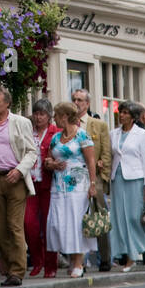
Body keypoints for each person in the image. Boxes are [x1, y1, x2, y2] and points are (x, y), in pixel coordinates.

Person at [0, 83, 38, 287]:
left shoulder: (20, 122)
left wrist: (20, 170)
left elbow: (32, 151)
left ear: (7, 103)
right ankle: (7, 266)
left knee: (14, 226)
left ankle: (17, 271)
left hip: (15, 179)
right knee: (0, 228)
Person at [44, 102, 97, 277]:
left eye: (56, 115)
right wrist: (52, 164)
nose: (54, 119)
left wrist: (92, 184)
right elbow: (47, 160)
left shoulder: (82, 135)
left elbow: (90, 161)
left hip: (78, 186)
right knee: (60, 223)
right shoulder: (55, 138)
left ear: (65, 116)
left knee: (76, 223)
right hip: (59, 186)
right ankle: (70, 257)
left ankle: (78, 263)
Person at [109, 100, 145, 271]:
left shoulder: (142, 134)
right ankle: (130, 254)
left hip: (136, 179)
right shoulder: (113, 134)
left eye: (125, 113)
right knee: (120, 218)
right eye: (120, 112)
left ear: (133, 117)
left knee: (135, 218)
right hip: (118, 179)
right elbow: (113, 156)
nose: (121, 115)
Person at [72, 88, 112, 271]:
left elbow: (106, 152)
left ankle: (105, 258)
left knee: (99, 216)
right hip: (75, 178)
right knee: (78, 218)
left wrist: (103, 178)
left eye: (80, 100)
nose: (77, 103)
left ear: (87, 104)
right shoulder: (69, 125)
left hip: (95, 178)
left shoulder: (98, 125)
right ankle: (81, 260)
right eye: (74, 99)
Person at [24, 98, 58, 278]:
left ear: (49, 116)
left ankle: (51, 265)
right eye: (36, 113)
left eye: (42, 114)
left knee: (48, 225)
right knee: (29, 224)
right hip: (30, 184)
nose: (38, 117)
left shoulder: (55, 132)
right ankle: (37, 261)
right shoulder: (28, 132)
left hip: (48, 184)